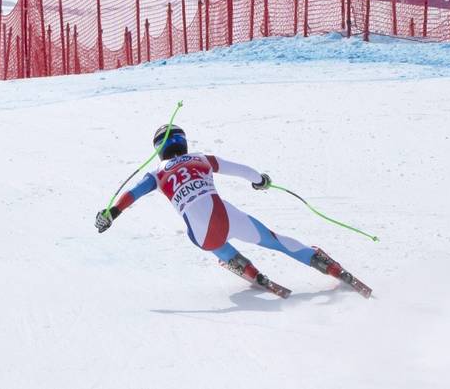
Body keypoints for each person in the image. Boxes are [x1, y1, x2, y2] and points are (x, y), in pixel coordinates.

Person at [96, 125, 371, 299]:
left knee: (200, 236)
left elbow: (132, 194)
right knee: (275, 241)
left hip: (203, 236)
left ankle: (242, 266)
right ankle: (328, 265)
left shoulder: (156, 173)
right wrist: (260, 180)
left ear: (159, 149)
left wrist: (111, 213)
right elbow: (240, 169)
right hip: (227, 217)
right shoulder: (200, 158)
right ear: (183, 142)